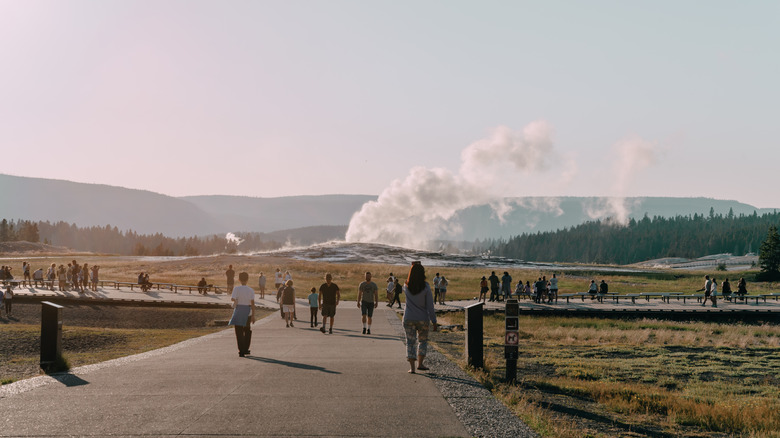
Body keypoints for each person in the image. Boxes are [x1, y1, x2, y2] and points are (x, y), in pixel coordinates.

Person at [402, 261, 437, 374]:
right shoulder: (426, 286)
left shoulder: (405, 286)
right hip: (423, 318)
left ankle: (412, 368)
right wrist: (434, 321)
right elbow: (430, 306)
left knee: (410, 342)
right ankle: (420, 364)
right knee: (422, 341)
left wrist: (413, 266)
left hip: (408, 317)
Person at [228, 272, 255, 357]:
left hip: (239, 310)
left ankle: (241, 350)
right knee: (247, 330)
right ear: (247, 279)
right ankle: (246, 348)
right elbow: (253, 303)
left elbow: (232, 298)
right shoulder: (251, 290)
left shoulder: (236, 288)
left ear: (239, 280)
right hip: (248, 311)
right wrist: (253, 315)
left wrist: (235, 301)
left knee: (238, 331)